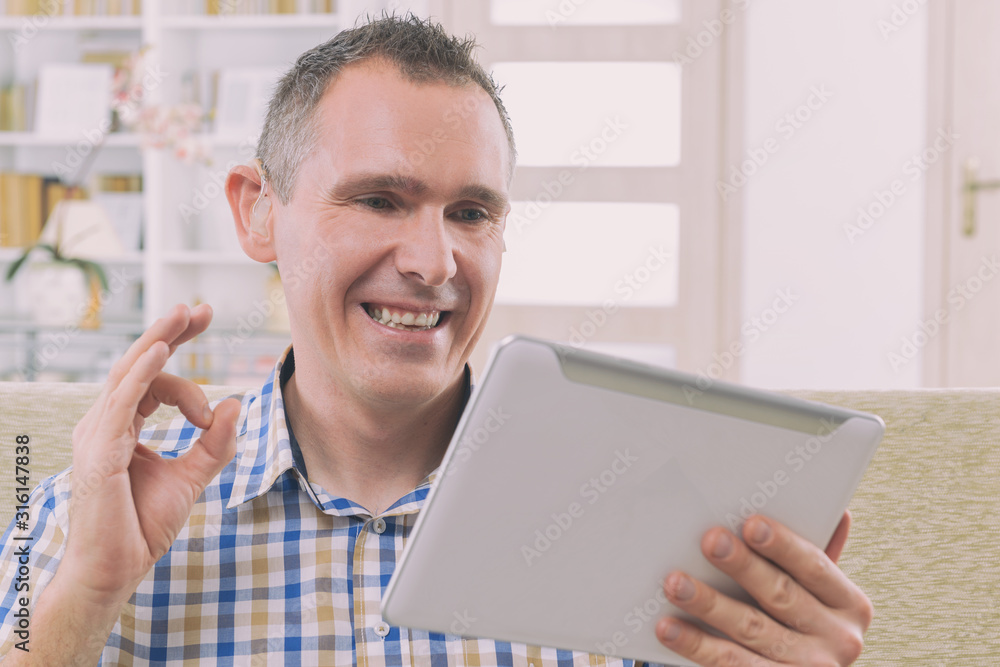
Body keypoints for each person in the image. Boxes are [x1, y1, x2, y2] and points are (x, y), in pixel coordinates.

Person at [0, 14, 872, 666]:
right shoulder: (90, 509)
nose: (432, 260)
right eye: (380, 199)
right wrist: (86, 592)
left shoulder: (642, 518)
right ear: (258, 211)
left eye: (471, 212)